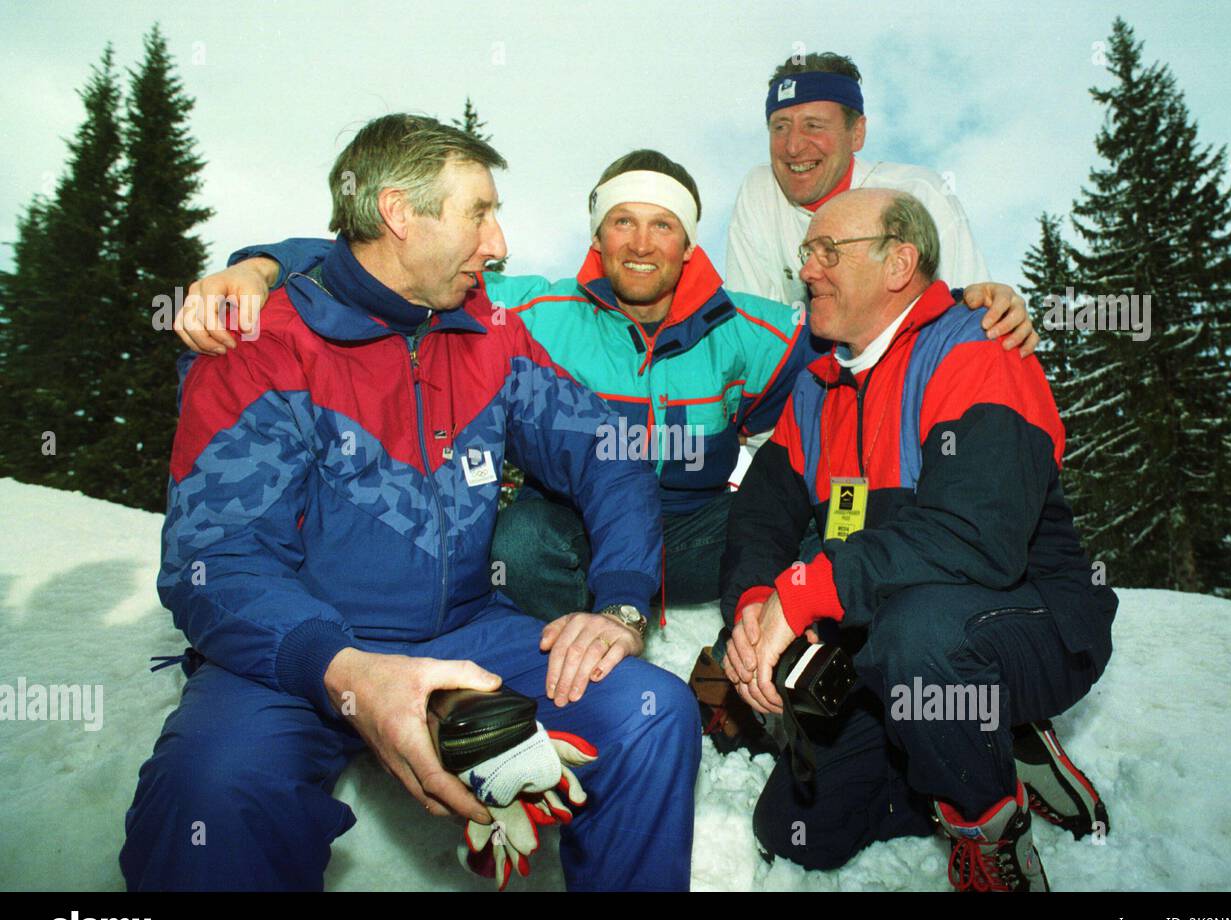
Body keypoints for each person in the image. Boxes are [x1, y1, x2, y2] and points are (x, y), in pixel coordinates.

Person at [120, 115, 701, 892]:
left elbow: (609, 450)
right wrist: (347, 670)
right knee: (208, 797)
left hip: (460, 632)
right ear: (398, 213)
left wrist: (623, 604)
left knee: (652, 713)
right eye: (479, 213)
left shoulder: (489, 332)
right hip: (291, 654)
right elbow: (214, 562)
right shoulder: (259, 343)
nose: (498, 243)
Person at [172, 152, 1036, 625]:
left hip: (697, 528)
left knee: (809, 519)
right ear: (600, 233)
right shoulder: (531, 307)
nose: (640, 241)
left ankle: (802, 654)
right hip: (578, 525)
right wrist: (259, 264)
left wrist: (969, 302)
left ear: (687, 243)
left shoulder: (761, 328)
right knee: (517, 536)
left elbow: (866, 318)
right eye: (622, 220)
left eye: (663, 224)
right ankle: (575, 645)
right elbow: (386, 262)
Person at [719, 188, 1118, 891]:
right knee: (794, 828)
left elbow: (979, 538)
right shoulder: (815, 386)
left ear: (900, 261)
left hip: (1025, 621)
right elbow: (758, 516)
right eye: (804, 252)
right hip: (891, 645)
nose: (806, 269)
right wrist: (756, 602)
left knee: (921, 631)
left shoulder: (977, 347)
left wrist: (809, 589)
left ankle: (987, 830)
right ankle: (986, 748)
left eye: (826, 251)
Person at [727, 52, 992, 309]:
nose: (793, 146)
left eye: (813, 125)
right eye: (780, 127)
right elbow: (750, 326)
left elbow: (972, 316)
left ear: (857, 133)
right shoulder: (761, 190)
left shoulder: (920, 195)